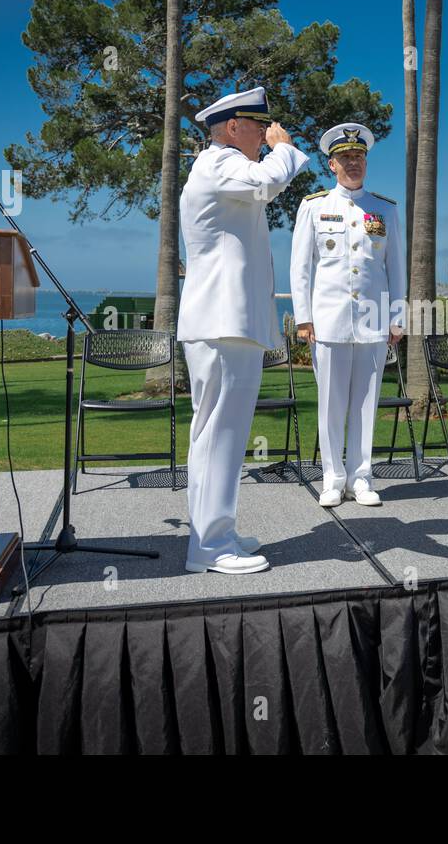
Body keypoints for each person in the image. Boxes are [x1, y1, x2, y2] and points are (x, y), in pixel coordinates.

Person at [178, 86, 309, 574]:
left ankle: (218, 532)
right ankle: (210, 548)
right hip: (221, 322)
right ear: (233, 128)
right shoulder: (220, 162)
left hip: (228, 323)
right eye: (258, 126)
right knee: (219, 434)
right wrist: (286, 147)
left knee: (221, 434)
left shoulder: (223, 168)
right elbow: (268, 182)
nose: (264, 134)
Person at [290, 123, 406, 508]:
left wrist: (398, 317)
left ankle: (361, 478)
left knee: (365, 405)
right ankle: (332, 478)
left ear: (366, 162)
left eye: (359, 157)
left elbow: (396, 268)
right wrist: (304, 317)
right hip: (329, 321)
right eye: (345, 158)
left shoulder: (385, 209)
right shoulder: (313, 206)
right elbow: (301, 268)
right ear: (332, 164)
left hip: (373, 322)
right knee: (331, 403)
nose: (353, 163)